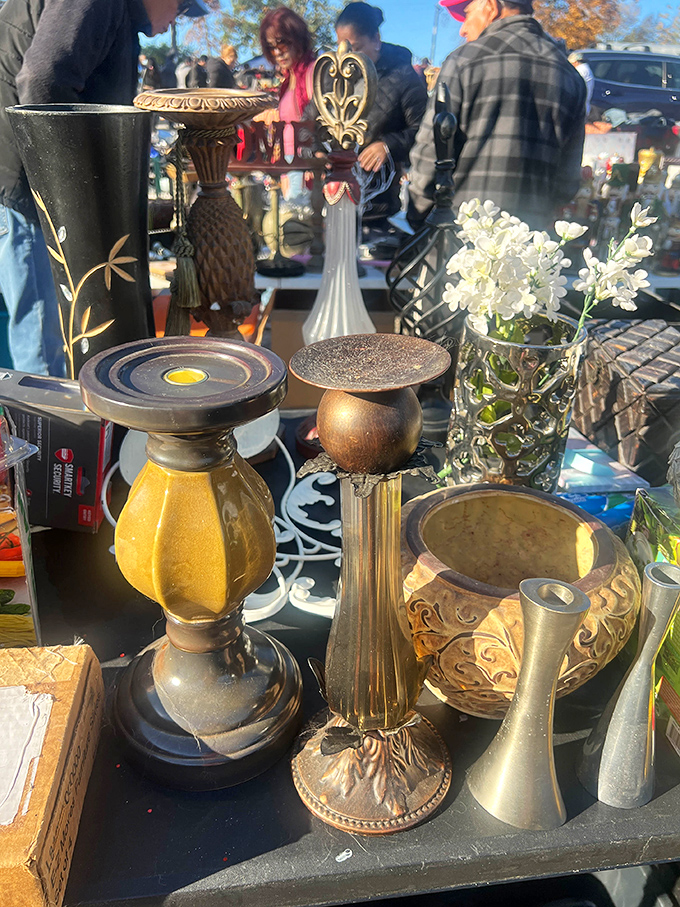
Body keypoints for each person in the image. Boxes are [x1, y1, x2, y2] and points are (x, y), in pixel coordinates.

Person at [0, 0, 210, 376]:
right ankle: (50, 435)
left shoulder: (120, 16)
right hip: (31, 194)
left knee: (57, 335)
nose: (174, 20)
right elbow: (42, 80)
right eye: (180, 8)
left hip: (33, 187)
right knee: (47, 343)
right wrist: (73, 196)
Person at [408, 0, 586, 232]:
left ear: (491, 6)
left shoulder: (464, 61)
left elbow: (430, 155)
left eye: (466, 13)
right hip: (531, 247)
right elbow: (567, 181)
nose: (462, 28)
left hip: (463, 241)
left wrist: (415, 217)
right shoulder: (570, 76)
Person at [334, 2, 427, 226]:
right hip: (334, 194)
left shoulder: (404, 76)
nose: (348, 57)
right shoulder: (334, 77)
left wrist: (387, 144)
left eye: (356, 48)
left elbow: (424, 130)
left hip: (380, 203)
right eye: (342, 49)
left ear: (376, 39)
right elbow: (316, 118)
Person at [569, 51, 594, 117]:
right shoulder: (586, 69)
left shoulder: (580, 71)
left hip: (579, 107)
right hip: (583, 106)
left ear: (576, 62)